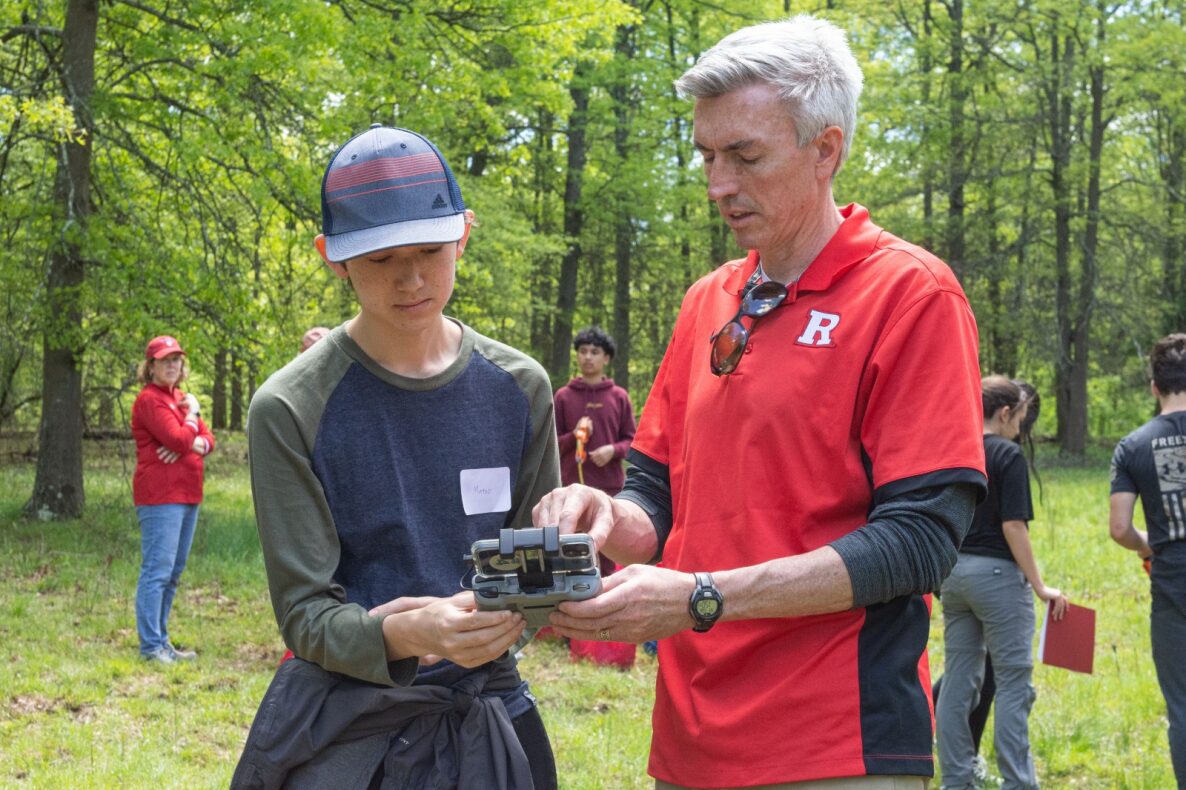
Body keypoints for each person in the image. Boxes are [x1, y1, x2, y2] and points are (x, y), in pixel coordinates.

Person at [533, 15, 986, 789]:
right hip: (690, 742)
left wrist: (701, 598)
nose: (718, 185)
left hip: (835, 747)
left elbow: (919, 541)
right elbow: (658, 501)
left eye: (745, 157)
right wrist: (604, 515)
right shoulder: (706, 300)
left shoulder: (911, 295)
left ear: (825, 150)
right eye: (707, 156)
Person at [235, 125, 560, 790]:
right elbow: (305, 613)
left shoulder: (519, 388)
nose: (410, 278)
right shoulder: (290, 408)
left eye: (430, 251)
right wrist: (409, 635)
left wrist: (497, 624)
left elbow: (539, 572)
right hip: (352, 720)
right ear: (334, 258)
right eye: (381, 259)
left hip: (489, 707)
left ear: (464, 233)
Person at [936, 376, 1067, 790]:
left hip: (954, 573)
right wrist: (1040, 585)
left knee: (958, 680)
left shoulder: (956, 449)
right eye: (1021, 416)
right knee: (1013, 682)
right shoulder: (1008, 454)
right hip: (997, 577)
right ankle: (1018, 783)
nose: (1021, 425)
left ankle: (956, 780)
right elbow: (1014, 526)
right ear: (1005, 413)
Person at [1109, 333, 1186, 788]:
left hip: (1172, 583)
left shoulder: (1133, 446)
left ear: (1154, 387)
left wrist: (1148, 545)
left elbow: (1120, 528)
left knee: (1182, 707)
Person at [553, 327, 638, 667]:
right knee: (572, 557)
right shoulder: (563, 396)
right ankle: (569, 630)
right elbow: (551, 443)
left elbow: (633, 440)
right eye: (583, 351)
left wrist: (612, 450)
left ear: (606, 359)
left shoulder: (618, 397)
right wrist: (573, 436)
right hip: (572, 489)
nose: (587, 357)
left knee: (606, 558)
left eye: (594, 352)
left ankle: (608, 631)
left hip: (610, 489)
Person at [130, 334, 215, 664]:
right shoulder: (149, 400)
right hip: (160, 496)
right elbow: (180, 438)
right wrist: (191, 420)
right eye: (164, 360)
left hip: (188, 493)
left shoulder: (180, 399)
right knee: (158, 571)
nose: (172, 365)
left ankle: (163, 643)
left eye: (176, 359)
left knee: (173, 572)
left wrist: (190, 439)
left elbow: (208, 440)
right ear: (150, 366)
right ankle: (151, 647)